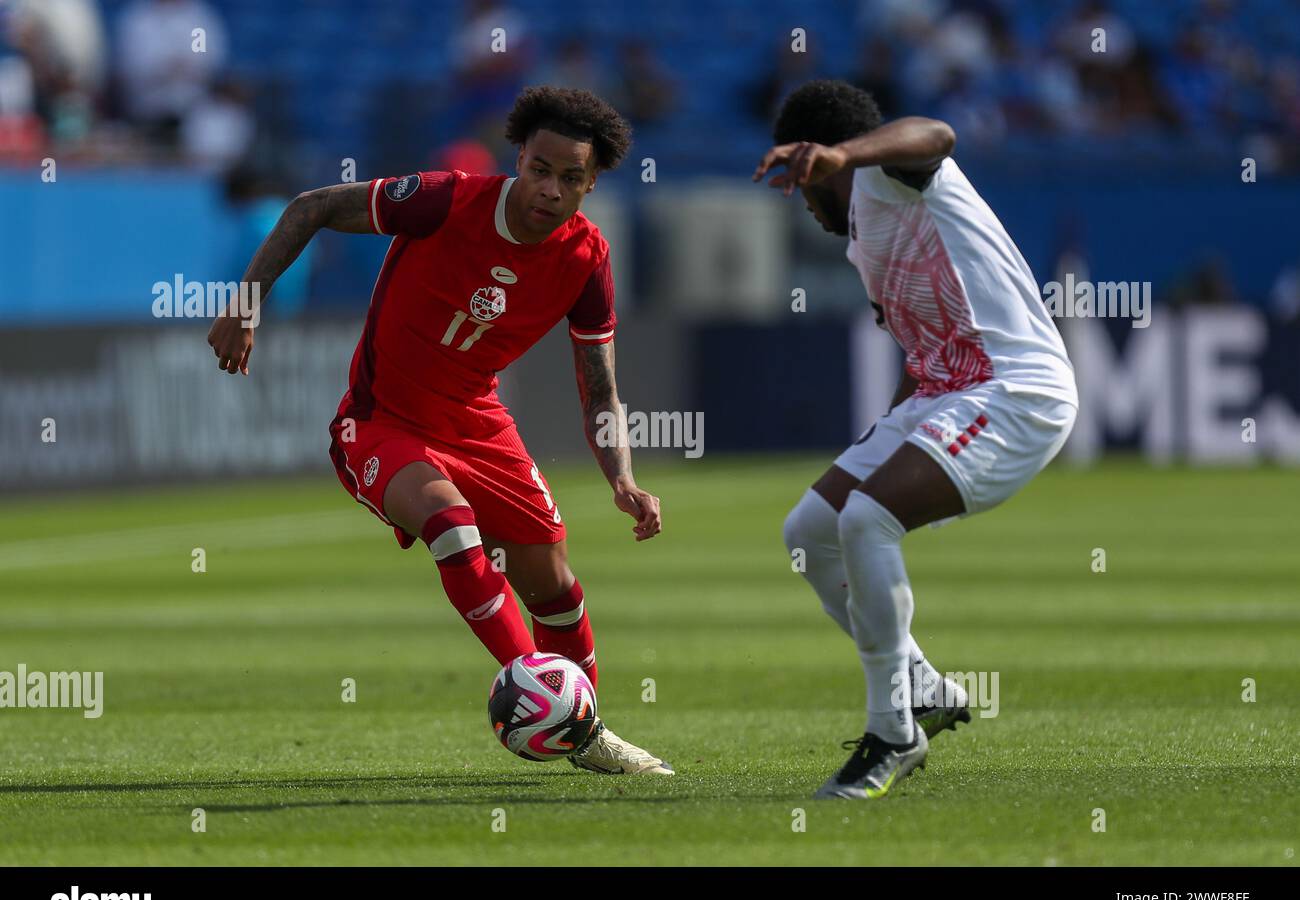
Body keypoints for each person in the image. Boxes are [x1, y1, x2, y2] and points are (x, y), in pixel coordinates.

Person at [207, 86, 672, 776]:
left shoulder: (587, 258)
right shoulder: (444, 200)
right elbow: (311, 207)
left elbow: (599, 386)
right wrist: (245, 306)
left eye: (569, 178)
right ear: (520, 157)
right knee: (447, 521)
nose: (548, 189)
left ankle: (585, 733)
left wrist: (623, 479)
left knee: (553, 588)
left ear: (591, 182)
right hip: (382, 422)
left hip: (479, 424)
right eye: (539, 169)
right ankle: (548, 701)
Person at [754, 79, 1078, 799]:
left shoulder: (891, 180)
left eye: (804, 179)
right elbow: (925, 351)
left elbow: (936, 133)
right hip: (946, 393)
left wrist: (842, 152)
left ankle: (894, 733)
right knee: (810, 530)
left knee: (869, 519)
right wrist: (887, 438)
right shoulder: (863, 245)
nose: (802, 199)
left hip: (1017, 390)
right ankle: (921, 685)